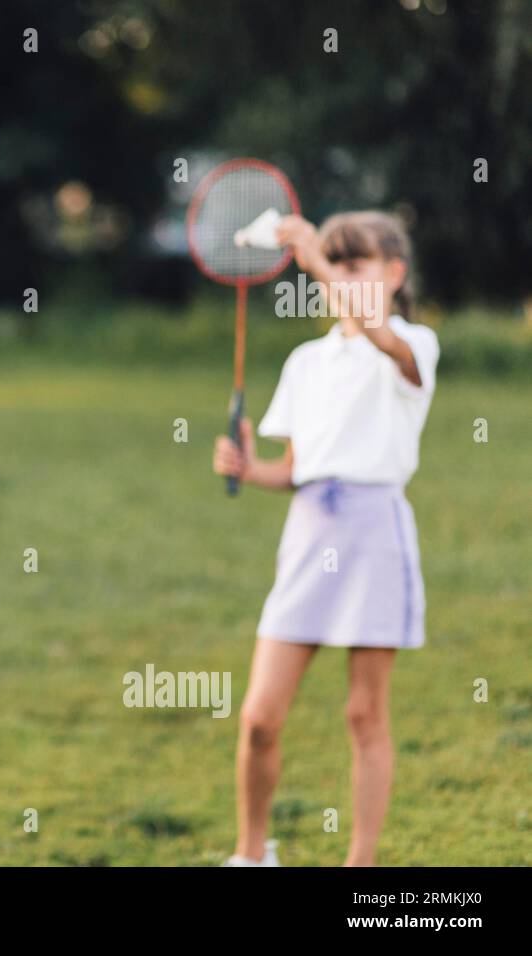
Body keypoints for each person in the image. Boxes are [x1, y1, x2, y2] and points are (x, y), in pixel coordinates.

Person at [213, 211, 439, 867]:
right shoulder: (307, 362)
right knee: (259, 717)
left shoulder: (412, 343)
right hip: (310, 535)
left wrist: (314, 262)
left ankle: (359, 867)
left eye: (354, 262)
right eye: (332, 262)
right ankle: (253, 854)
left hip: (376, 537)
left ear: (394, 275)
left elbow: (378, 336)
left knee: (365, 715)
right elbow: (295, 469)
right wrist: (248, 469)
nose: (339, 273)